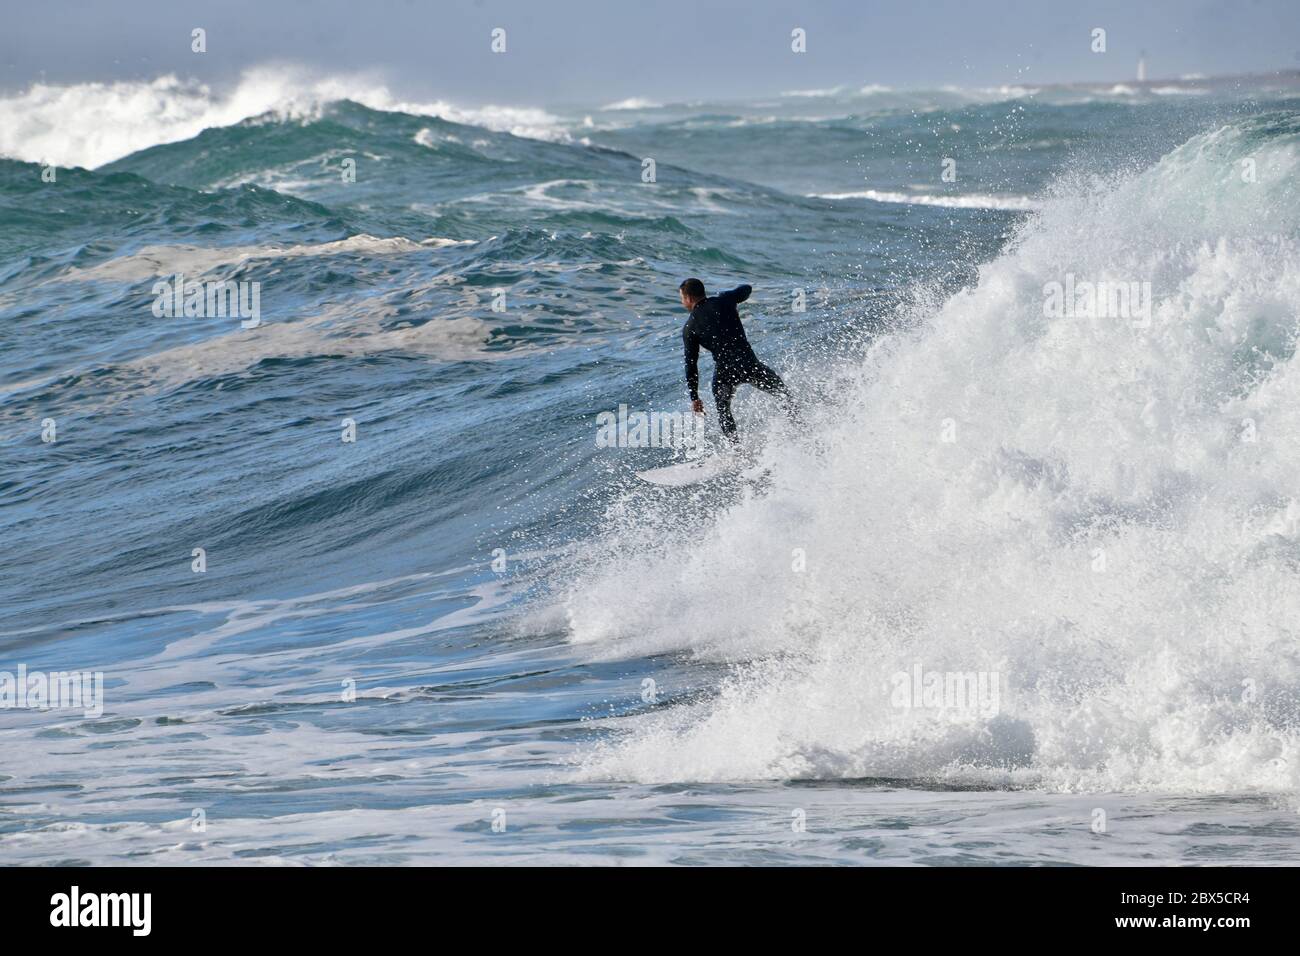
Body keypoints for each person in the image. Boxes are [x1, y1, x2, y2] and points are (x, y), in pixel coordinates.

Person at [679, 277, 792, 439]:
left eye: (682, 299)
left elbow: (691, 365)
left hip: (725, 373)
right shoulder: (724, 300)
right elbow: (746, 288)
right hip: (749, 364)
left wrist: (694, 397)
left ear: (688, 298)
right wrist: (732, 299)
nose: (683, 303)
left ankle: (736, 451)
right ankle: (798, 425)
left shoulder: (690, 327)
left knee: (723, 411)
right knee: (782, 393)